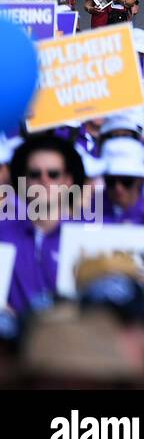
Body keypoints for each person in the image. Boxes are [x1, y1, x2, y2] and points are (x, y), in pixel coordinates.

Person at [0, 134, 88, 313]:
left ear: (68, 181)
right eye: (35, 174)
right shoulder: (2, 233)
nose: (44, 181)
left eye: (53, 174)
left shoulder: (88, 236)